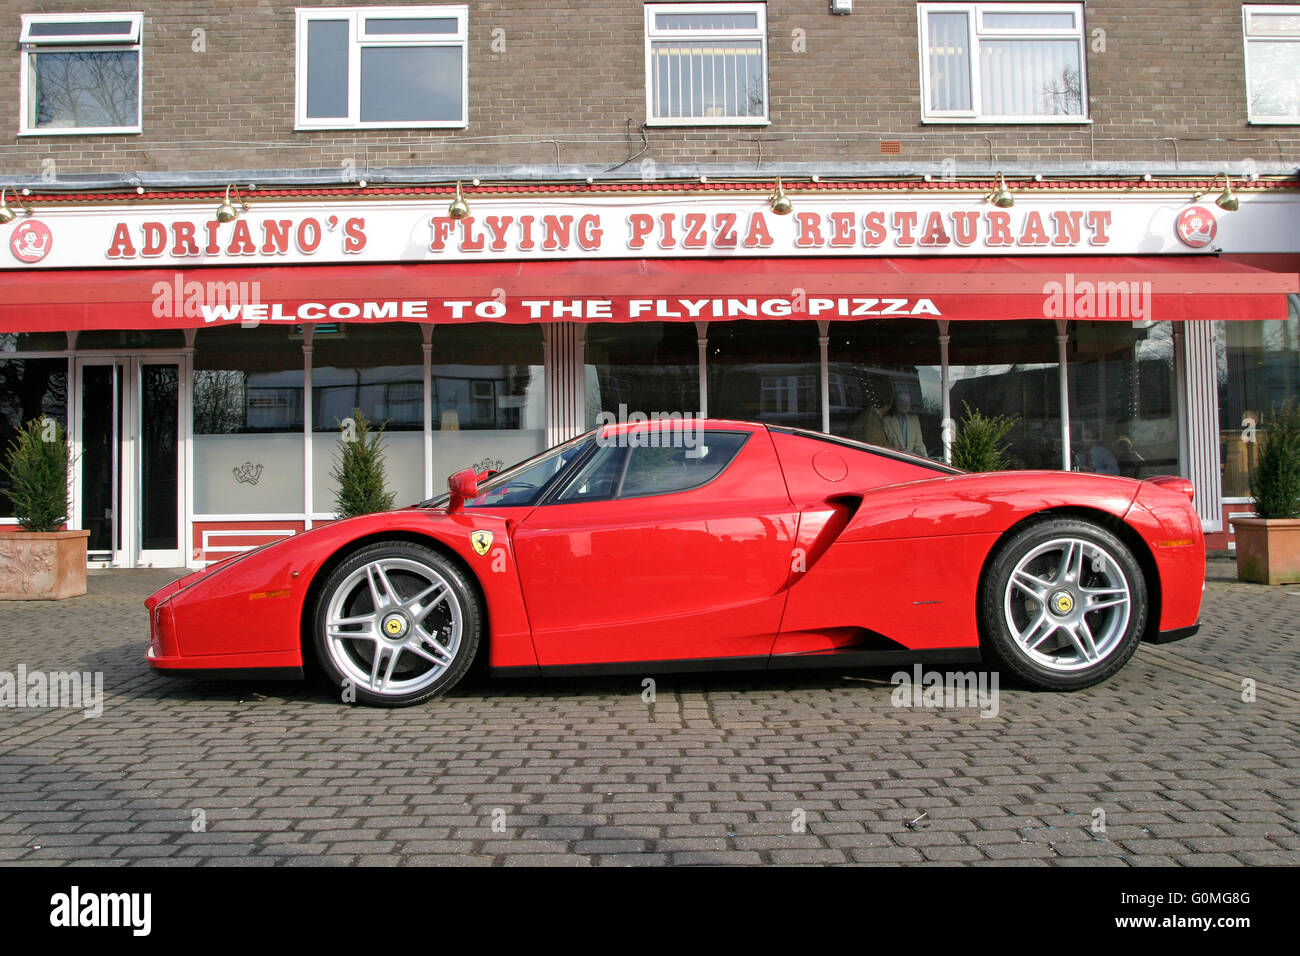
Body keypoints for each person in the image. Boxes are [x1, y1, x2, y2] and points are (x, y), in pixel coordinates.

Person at [882, 386, 927, 458]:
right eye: (903, 402)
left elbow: (919, 445)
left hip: (913, 462)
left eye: (908, 403)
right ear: (896, 402)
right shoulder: (886, 421)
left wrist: (926, 461)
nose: (906, 405)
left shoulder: (914, 420)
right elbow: (883, 446)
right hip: (893, 460)